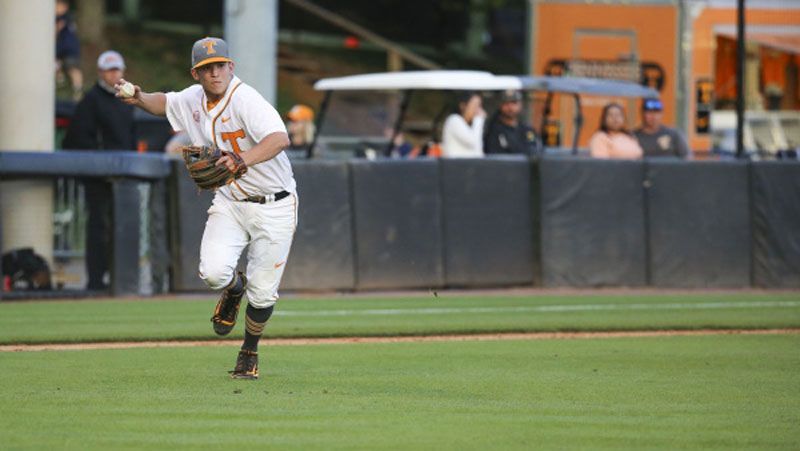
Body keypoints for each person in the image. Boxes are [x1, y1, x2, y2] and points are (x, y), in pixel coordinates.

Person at [117, 37, 296, 380]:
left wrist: (240, 160)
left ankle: (249, 350)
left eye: (219, 66)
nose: (214, 73)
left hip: (274, 203)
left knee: (263, 291)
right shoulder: (193, 98)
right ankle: (233, 287)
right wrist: (137, 97)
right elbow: (163, 104)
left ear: (231, 67)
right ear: (195, 74)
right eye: (206, 69)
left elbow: (279, 138)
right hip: (230, 200)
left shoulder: (246, 100)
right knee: (213, 272)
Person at [62, 50, 136, 291]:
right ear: (101, 72)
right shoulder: (91, 100)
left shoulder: (128, 101)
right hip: (98, 176)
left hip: (123, 176)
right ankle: (96, 280)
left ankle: (120, 279)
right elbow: (76, 139)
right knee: (99, 226)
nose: (114, 74)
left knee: (121, 227)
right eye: (109, 70)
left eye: (117, 70)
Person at [484, 90, 538, 156]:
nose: (510, 107)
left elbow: (533, 145)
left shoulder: (528, 130)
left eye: (514, 103)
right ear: (500, 105)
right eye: (506, 103)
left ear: (520, 105)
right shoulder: (493, 131)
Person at [441, 91, 486, 158]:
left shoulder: (472, 126)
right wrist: (479, 120)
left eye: (479, 106)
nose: (478, 110)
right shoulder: (454, 120)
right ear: (463, 106)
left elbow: (479, 150)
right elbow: (473, 142)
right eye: (475, 105)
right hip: (455, 166)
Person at [55, 0, 83, 101]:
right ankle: (62, 80)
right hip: (68, 47)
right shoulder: (69, 18)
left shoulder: (62, 19)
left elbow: (57, 30)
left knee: (72, 67)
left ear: (64, 7)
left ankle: (77, 88)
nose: (55, 8)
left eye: (58, 5)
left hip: (67, 47)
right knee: (65, 65)